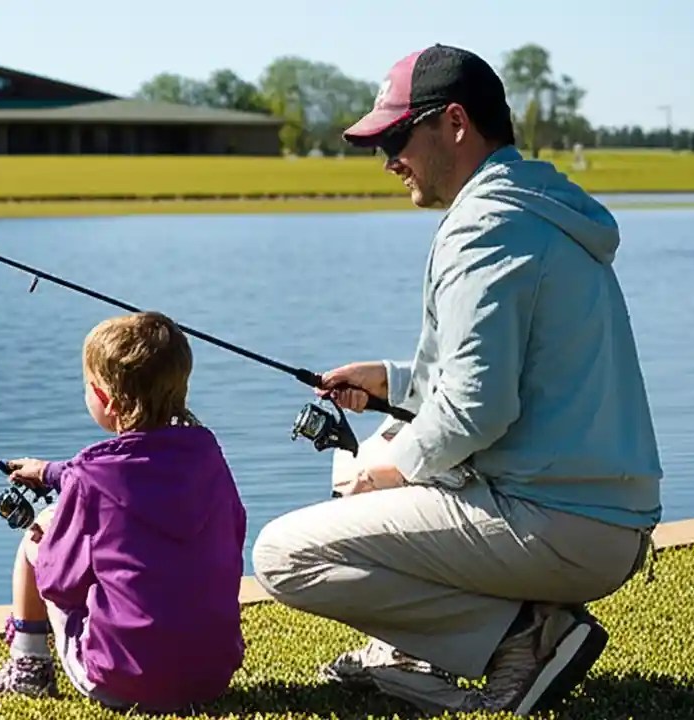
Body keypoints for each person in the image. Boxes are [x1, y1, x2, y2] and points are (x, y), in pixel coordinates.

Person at [250, 43, 662, 717]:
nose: (388, 160)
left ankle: (520, 640)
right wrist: (393, 382)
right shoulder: (535, 204)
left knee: (282, 554)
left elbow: (476, 408)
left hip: (559, 524)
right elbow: (503, 377)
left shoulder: (485, 227)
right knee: (370, 450)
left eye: (396, 137)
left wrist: (399, 470)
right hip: (595, 515)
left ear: (455, 124)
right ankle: (440, 640)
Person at [0, 310, 247, 713]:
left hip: (121, 682)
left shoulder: (90, 478)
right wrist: (49, 472)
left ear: (103, 398)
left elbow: (59, 583)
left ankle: (28, 666)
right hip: (211, 677)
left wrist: (48, 542)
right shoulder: (207, 455)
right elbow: (138, 476)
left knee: (37, 533)